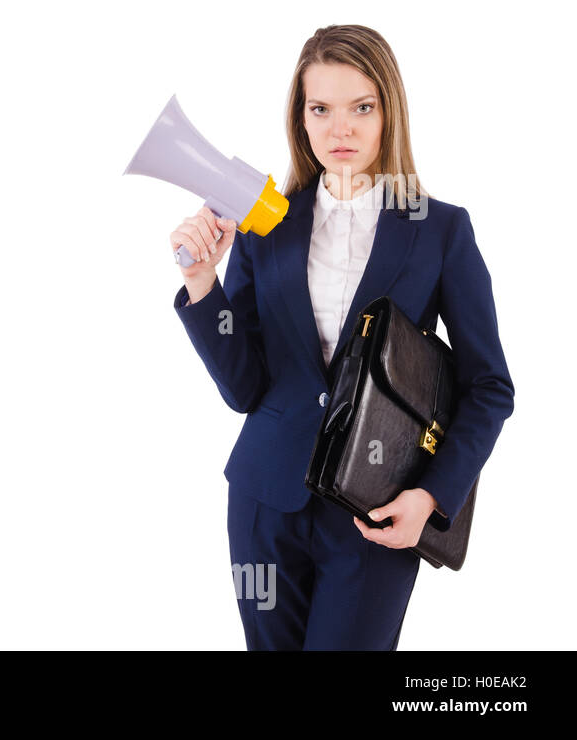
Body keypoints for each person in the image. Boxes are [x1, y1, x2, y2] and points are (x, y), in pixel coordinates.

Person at [168, 24, 513, 649]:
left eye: (361, 107)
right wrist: (201, 283)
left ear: (389, 111)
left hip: (376, 514)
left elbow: (489, 386)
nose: (340, 129)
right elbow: (243, 388)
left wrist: (432, 498)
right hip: (264, 503)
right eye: (320, 108)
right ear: (300, 118)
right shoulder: (263, 224)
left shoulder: (440, 232)